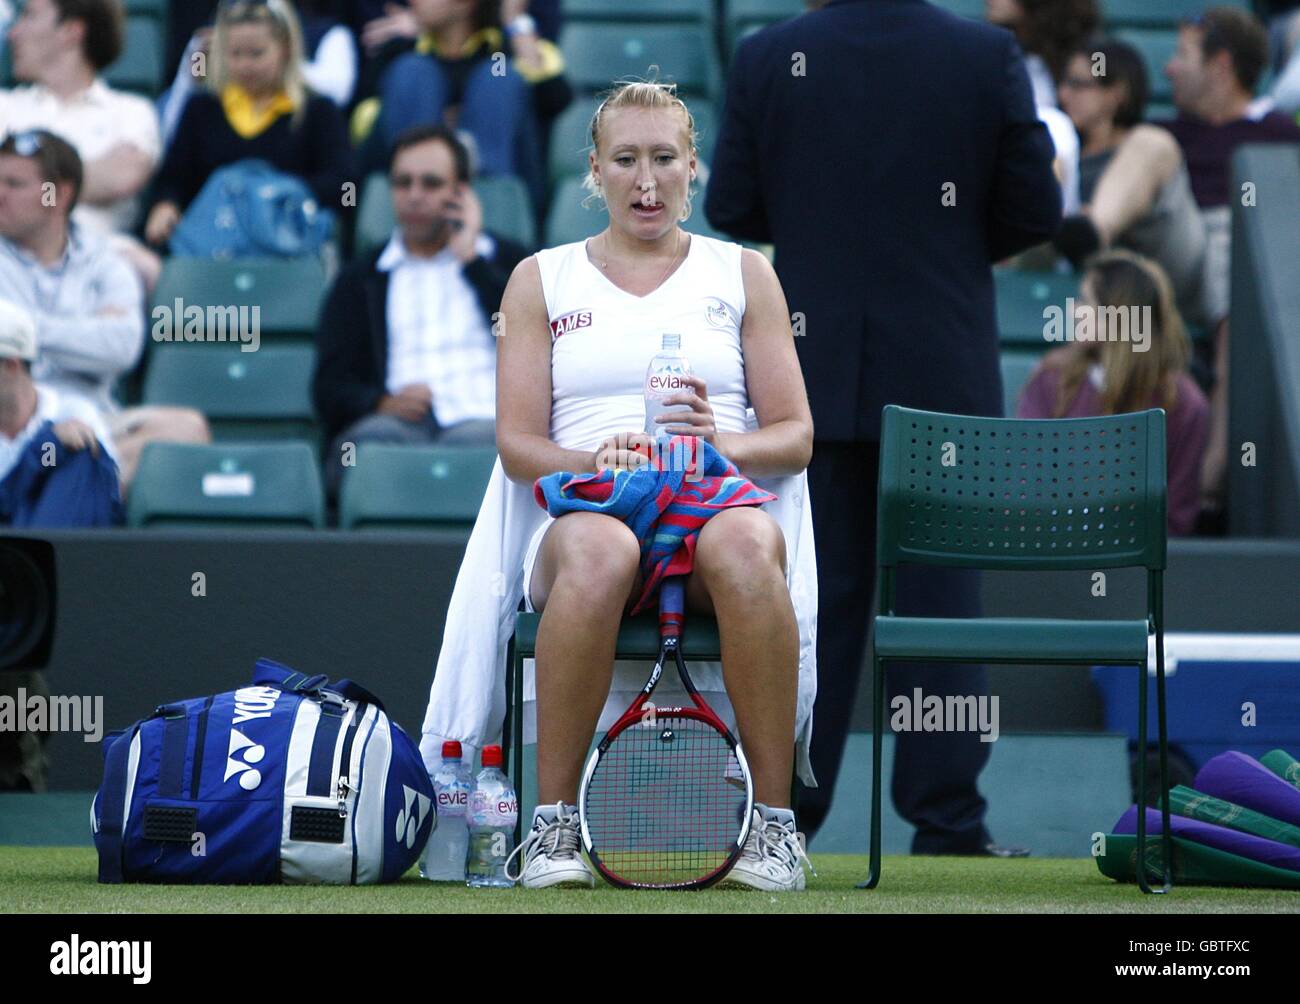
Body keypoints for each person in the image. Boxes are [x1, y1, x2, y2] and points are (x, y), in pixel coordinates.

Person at [420, 80, 818, 892]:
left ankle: (774, 829)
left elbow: (798, 438)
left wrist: (721, 441)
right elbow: (518, 445)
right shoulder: (540, 278)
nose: (647, 181)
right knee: (600, 551)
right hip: (585, 508)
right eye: (626, 160)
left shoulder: (746, 274)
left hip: (714, 502)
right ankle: (555, 826)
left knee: (746, 544)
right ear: (594, 171)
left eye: (665, 159)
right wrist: (594, 461)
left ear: (693, 169)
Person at [707, 0, 1062, 853]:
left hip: (808, 375)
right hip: (941, 372)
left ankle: (783, 816)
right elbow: (1035, 213)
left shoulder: (770, 53)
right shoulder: (986, 54)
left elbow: (730, 203)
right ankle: (948, 823)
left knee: (806, 609)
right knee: (943, 614)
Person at [312, 125, 527, 497]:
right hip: (393, 426)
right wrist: (379, 402)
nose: (413, 196)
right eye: (402, 183)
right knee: (366, 449)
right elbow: (328, 386)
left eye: (430, 184)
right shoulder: (360, 278)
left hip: (483, 423)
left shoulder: (511, 263)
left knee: (496, 454)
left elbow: (536, 340)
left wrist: (471, 261)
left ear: (461, 191)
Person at [0, 131, 209, 490]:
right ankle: (70, 483)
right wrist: (88, 329)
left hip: (94, 423)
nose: (0, 195)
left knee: (186, 429)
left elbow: (122, 348)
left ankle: (48, 485)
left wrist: (25, 329)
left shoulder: (107, 260)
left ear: (60, 194)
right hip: (11, 422)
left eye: (14, 184)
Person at [1159, 6, 1300, 525]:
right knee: (1222, 241)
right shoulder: (1165, 133)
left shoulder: (1282, 133)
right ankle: (1212, 472)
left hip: (1246, 267)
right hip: (1174, 255)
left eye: (1182, 55)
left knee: (1233, 245)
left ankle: (1217, 461)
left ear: (1220, 65)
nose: (1169, 69)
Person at [1016, 251, 1209, 536]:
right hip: (1052, 556)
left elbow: (1176, 521)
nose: (1073, 310)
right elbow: (1021, 494)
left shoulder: (1183, 404)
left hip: (1139, 569)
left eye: (1085, 302)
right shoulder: (1051, 380)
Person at [144, 0, 356, 249]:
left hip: (290, 243)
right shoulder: (202, 108)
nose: (245, 65)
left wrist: (275, 194)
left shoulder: (318, 110)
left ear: (285, 49)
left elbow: (347, 185)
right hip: (213, 245)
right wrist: (165, 204)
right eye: (235, 54)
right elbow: (173, 177)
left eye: (257, 53)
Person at [0, 0, 164, 286]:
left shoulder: (132, 111)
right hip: (9, 257)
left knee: (144, 268)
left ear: (71, 31)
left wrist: (21, 187)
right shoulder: (5, 106)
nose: (14, 33)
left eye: (29, 16)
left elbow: (122, 177)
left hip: (98, 262)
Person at [352, 0, 570, 207]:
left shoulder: (505, 50)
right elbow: (362, 129)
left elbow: (553, 100)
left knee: (497, 79)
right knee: (413, 71)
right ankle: (421, 182)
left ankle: (485, 211)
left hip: (493, 179)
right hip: (399, 173)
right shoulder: (400, 50)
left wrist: (514, 22)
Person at [1054, 39, 1208, 328]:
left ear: (1115, 94)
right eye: (1063, 84)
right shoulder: (1063, 152)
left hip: (1162, 268)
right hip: (1096, 294)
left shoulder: (1149, 142)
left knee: (1152, 143)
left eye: (1077, 84)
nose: (1063, 95)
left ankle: (1094, 229)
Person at [0, 298, 122, 526]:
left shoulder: (72, 411)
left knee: (80, 454)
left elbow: (105, 495)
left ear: (11, 366)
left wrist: (47, 451)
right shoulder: (52, 440)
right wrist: (45, 447)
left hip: (56, 551)